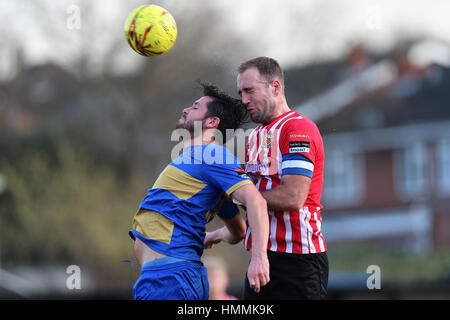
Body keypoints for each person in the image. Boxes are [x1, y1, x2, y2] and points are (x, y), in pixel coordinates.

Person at [129, 82, 270, 300]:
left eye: (195, 107)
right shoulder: (197, 164)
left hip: (172, 278)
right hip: (160, 278)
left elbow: (256, 202)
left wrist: (259, 258)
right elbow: (239, 231)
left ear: (212, 122)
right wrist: (214, 235)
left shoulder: (212, 155)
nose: (185, 110)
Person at [237, 57, 328, 300]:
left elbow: (293, 196)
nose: (244, 99)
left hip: (297, 261)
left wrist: (242, 198)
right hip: (262, 259)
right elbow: (258, 206)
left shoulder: (297, 129)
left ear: (275, 87)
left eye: (249, 90)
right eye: (241, 92)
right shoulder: (254, 136)